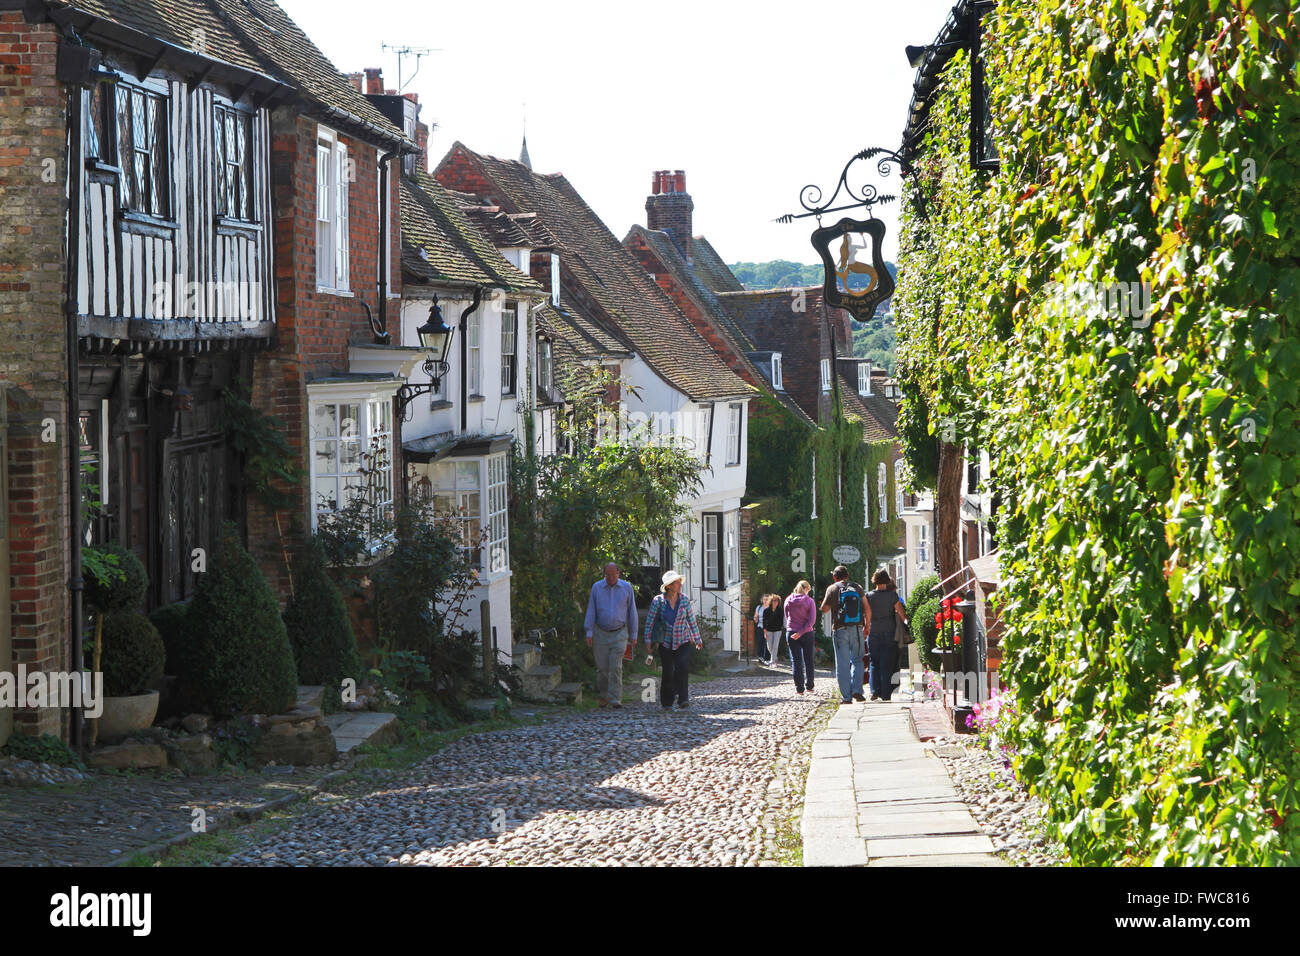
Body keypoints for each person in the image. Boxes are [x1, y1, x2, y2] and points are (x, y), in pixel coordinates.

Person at [643, 570, 704, 710]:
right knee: (668, 671)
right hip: (665, 642)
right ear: (669, 586)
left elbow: (691, 620)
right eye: (676, 582)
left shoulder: (684, 600)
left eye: (679, 582)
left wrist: (697, 639)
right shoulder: (658, 601)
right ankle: (667, 702)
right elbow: (650, 622)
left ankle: (683, 699)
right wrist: (648, 641)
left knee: (682, 667)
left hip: (682, 640)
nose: (680, 584)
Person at [584, 562, 638, 709]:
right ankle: (603, 695)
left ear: (618, 574)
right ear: (604, 574)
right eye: (608, 575)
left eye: (613, 574)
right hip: (600, 632)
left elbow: (632, 611)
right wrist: (589, 631)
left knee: (616, 666)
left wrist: (634, 634)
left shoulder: (627, 588)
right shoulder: (597, 587)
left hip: (620, 632)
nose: (611, 578)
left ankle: (615, 698)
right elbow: (591, 610)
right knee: (602, 668)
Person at [820, 565, 867, 705]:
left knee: (843, 664)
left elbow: (824, 609)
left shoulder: (832, 588)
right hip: (857, 629)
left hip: (840, 629)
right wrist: (867, 626)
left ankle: (846, 697)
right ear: (847, 576)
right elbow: (867, 607)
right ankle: (857, 690)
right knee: (858, 660)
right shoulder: (857, 587)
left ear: (835, 577)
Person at [865, 568, 909, 701]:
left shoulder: (869, 596)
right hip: (890, 633)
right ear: (887, 581)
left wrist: (867, 627)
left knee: (874, 662)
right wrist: (907, 624)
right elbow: (902, 614)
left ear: (874, 580)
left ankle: (874, 690)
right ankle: (885, 694)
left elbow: (867, 614)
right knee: (887, 664)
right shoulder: (892, 596)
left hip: (874, 633)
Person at [783, 581, 818, 695]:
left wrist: (795, 631)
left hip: (792, 632)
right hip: (807, 633)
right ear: (806, 589)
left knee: (796, 661)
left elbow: (787, 616)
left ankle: (799, 688)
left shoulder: (788, 599)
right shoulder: (810, 601)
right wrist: (801, 632)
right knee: (808, 660)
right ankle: (810, 686)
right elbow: (812, 621)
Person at [761, 593, 785, 665]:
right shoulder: (766, 611)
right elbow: (764, 621)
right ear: (771, 601)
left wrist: (781, 628)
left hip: (777, 630)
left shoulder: (780, 611)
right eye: (774, 600)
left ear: (778, 602)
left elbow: (782, 621)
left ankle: (773, 661)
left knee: (775, 646)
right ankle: (775, 657)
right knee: (769, 646)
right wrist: (765, 631)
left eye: (777, 601)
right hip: (768, 630)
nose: (775, 602)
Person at [752, 596, 770, 664]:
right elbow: (755, 616)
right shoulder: (759, 607)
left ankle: (767, 659)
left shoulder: (771, 607)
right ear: (762, 600)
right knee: (760, 642)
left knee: (767, 643)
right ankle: (760, 657)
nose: (765, 601)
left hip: (769, 628)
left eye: (767, 599)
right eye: (764, 599)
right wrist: (755, 619)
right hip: (760, 627)